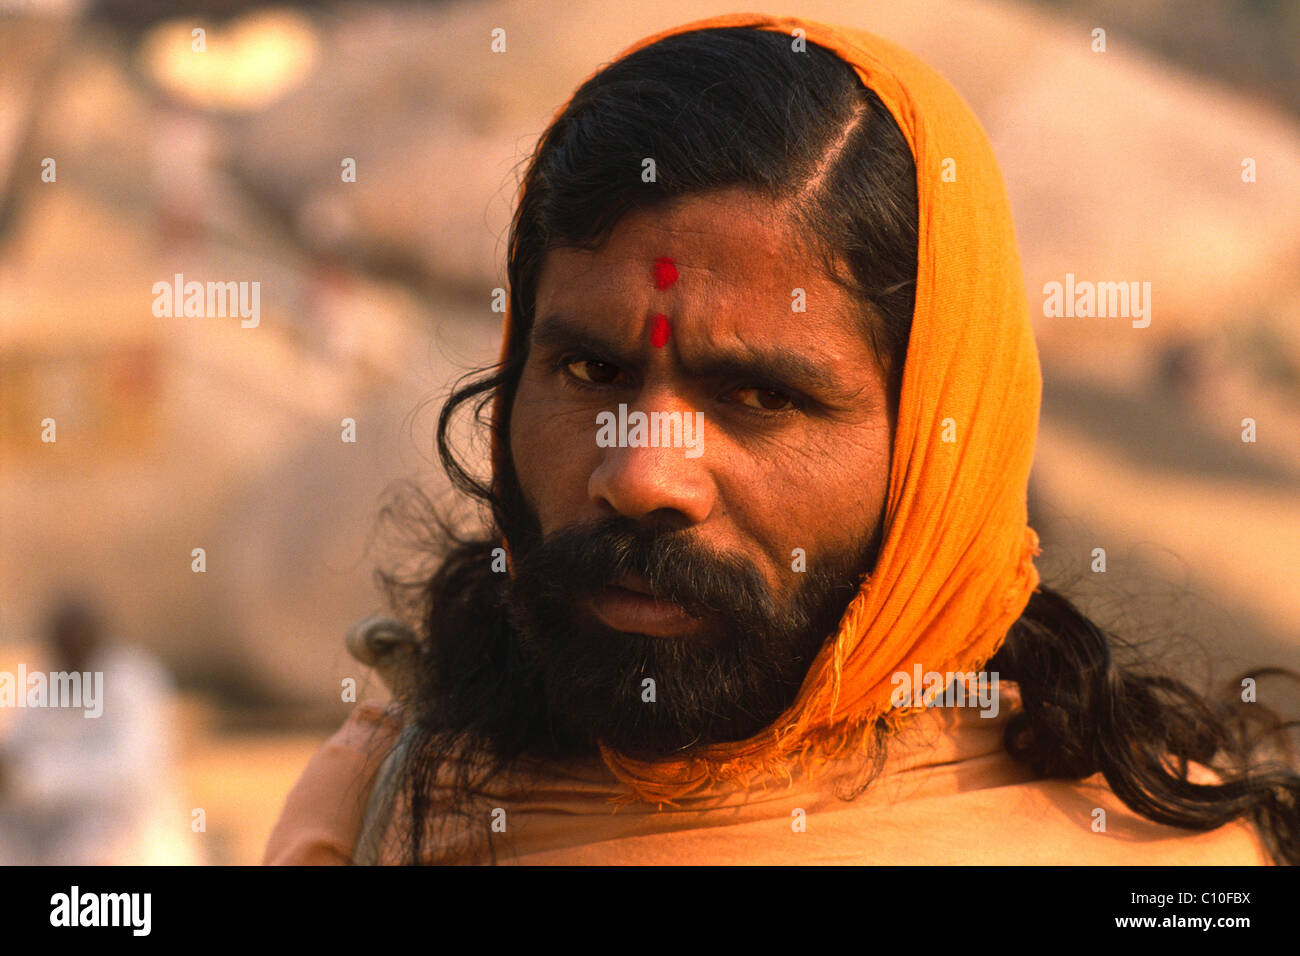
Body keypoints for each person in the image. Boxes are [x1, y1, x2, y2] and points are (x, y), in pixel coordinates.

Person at [264, 13, 1298, 865]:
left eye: (759, 394)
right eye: (590, 373)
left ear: (940, 450)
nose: (640, 474)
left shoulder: (1167, 864)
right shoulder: (380, 806)